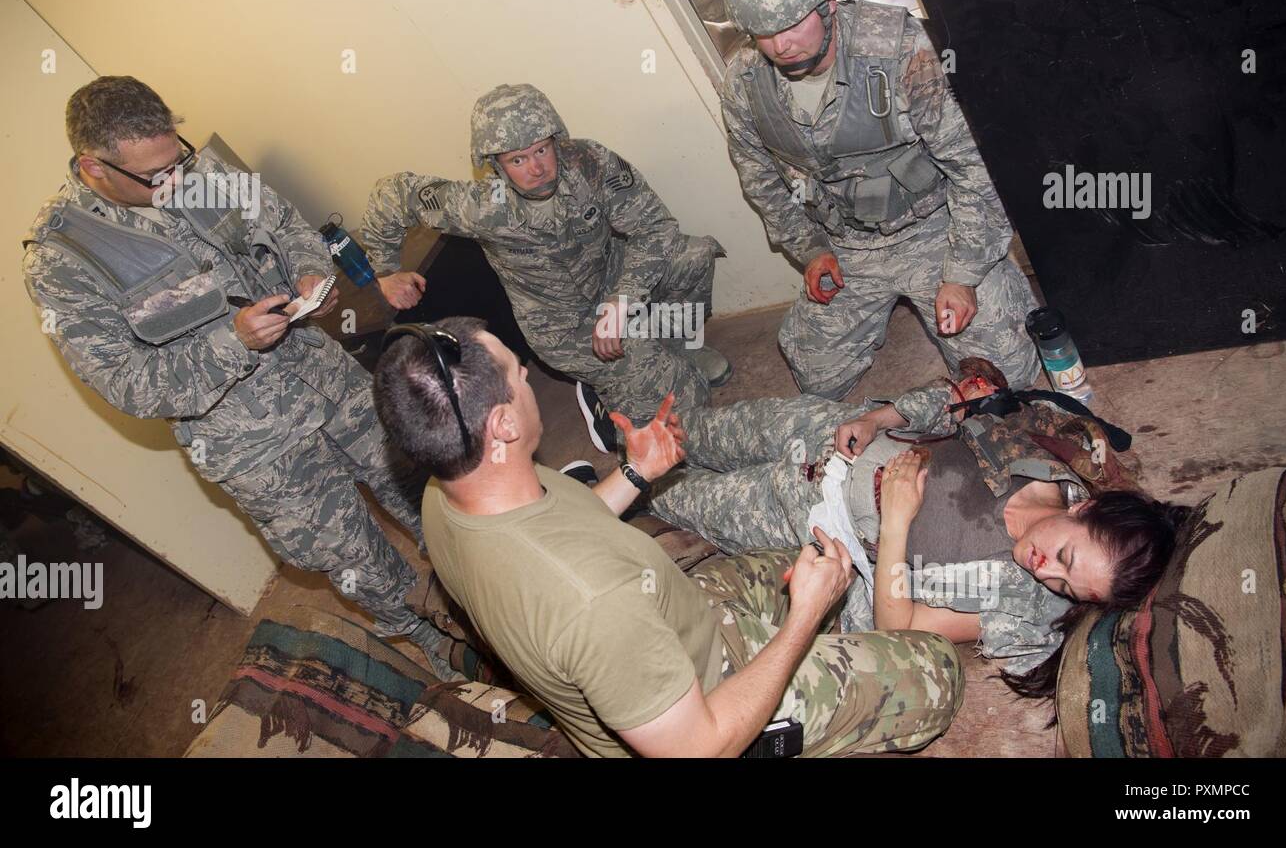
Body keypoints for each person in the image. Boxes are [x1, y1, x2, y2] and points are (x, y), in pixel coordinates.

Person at [371, 316, 964, 757]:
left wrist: (635, 475)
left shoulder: (451, 490)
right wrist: (802, 619)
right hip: (702, 708)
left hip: (673, 619)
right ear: (502, 424)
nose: (527, 373)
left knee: (796, 557)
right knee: (938, 671)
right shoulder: (591, 605)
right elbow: (698, 747)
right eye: (515, 371)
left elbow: (569, 525)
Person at [22, 76, 455, 677]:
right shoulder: (62, 263)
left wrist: (311, 277)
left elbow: (291, 229)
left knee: (422, 490)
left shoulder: (204, 171)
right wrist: (233, 342)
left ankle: (473, 595)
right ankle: (429, 639)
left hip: (326, 378)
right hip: (254, 445)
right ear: (93, 168)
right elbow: (125, 384)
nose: (176, 181)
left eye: (177, 159)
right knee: (353, 555)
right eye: (154, 176)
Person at [642, 358, 1181, 677]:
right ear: (1082, 506)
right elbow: (959, 406)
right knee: (694, 430)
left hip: (812, 513)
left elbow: (897, 625)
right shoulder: (1042, 455)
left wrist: (897, 522)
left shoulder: (1021, 603)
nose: (1046, 572)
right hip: (835, 433)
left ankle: (608, 484)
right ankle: (628, 422)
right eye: (1065, 557)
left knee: (668, 491)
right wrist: (878, 416)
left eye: (1069, 589)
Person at [719, 0, 1040, 400]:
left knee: (1005, 378)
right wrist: (810, 250)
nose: (780, 44)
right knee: (814, 375)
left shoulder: (901, 50)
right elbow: (761, 183)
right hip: (849, 245)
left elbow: (975, 170)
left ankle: (994, 288)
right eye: (762, 31)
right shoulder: (745, 83)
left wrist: (963, 274)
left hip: (936, 229)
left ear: (829, 2)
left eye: (790, 23)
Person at [361, 83, 729, 455]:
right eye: (517, 160)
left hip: (610, 279)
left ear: (557, 140)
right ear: (496, 165)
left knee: (691, 255)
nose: (537, 168)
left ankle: (677, 344)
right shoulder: (481, 206)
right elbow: (390, 195)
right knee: (680, 401)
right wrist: (386, 270)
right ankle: (606, 388)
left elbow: (655, 228)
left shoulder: (590, 163)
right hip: (562, 327)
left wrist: (620, 301)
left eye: (542, 150)